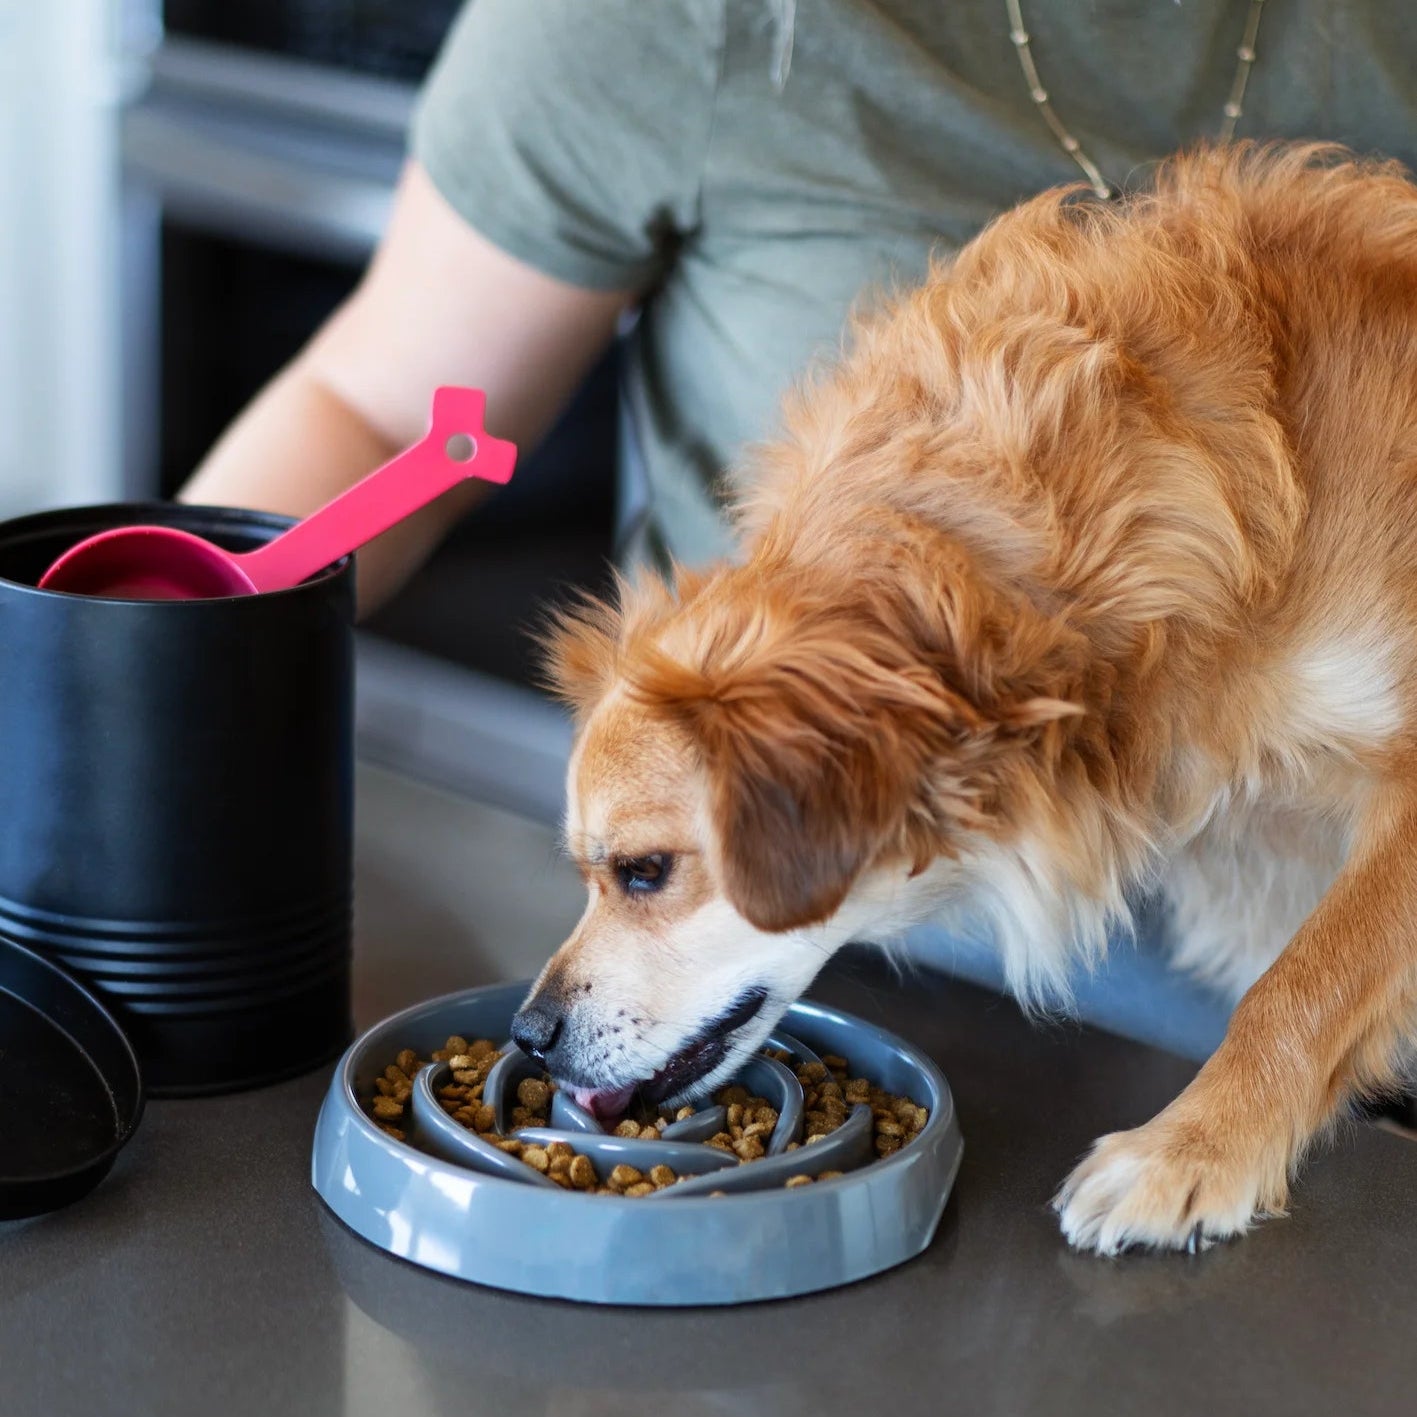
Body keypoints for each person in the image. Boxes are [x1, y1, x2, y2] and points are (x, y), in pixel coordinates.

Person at [178, 0, 1417, 1056]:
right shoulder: (670, 22)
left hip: (1339, 1025)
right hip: (888, 1015)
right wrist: (143, 681)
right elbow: (384, 410)